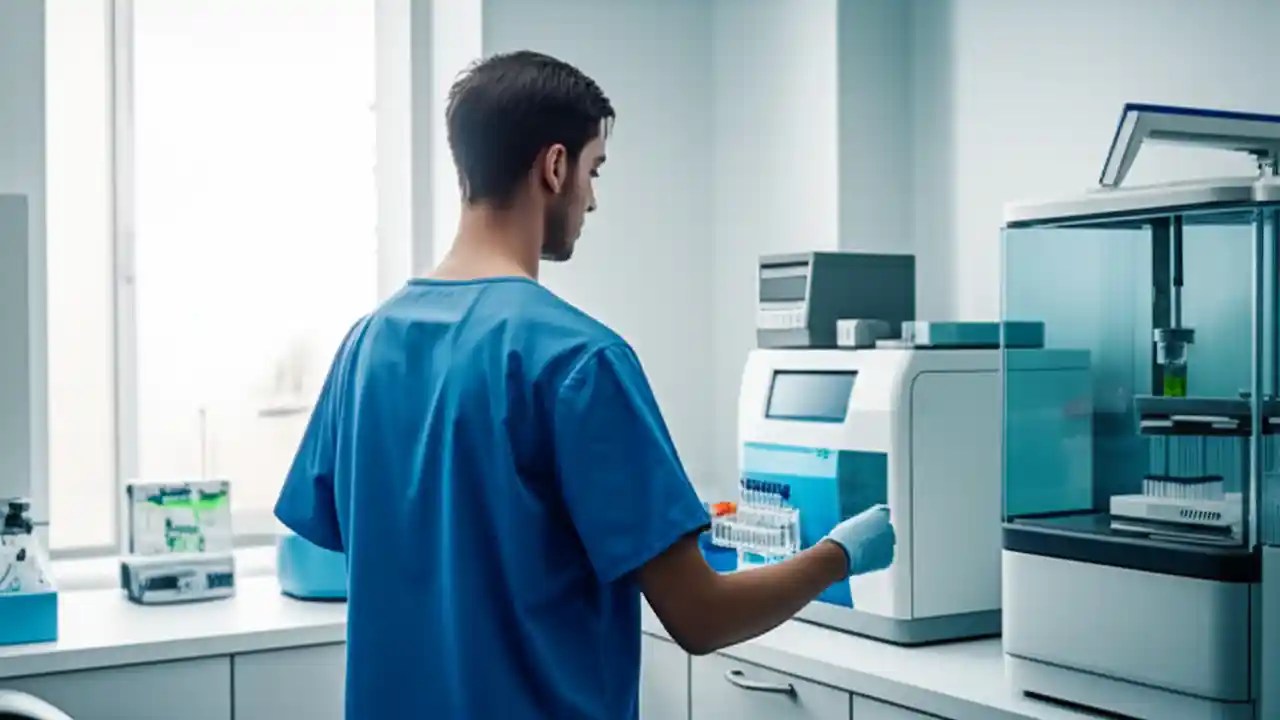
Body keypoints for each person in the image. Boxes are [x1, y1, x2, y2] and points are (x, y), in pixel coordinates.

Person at [274, 50, 896, 720]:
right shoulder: (580, 361)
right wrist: (839, 555)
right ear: (554, 166)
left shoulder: (365, 346)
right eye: (593, 169)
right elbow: (700, 616)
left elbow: (354, 549)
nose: (593, 197)